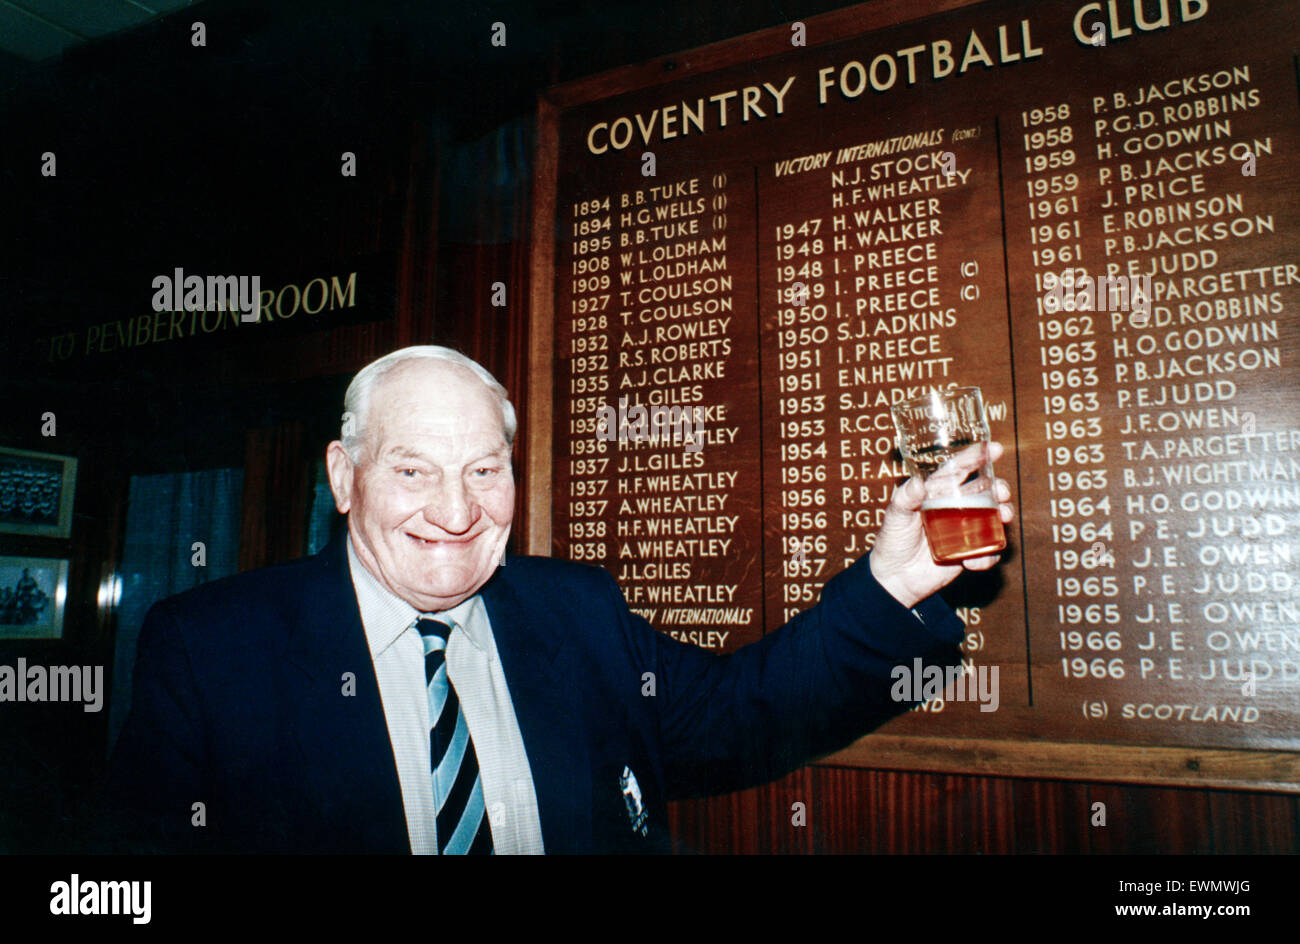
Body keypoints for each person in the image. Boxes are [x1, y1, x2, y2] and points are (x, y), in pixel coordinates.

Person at [103, 345, 1013, 854]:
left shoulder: (573, 611)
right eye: (413, 469)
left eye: (484, 471)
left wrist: (894, 581)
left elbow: (747, 712)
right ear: (345, 476)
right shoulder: (210, 647)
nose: (455, 513)